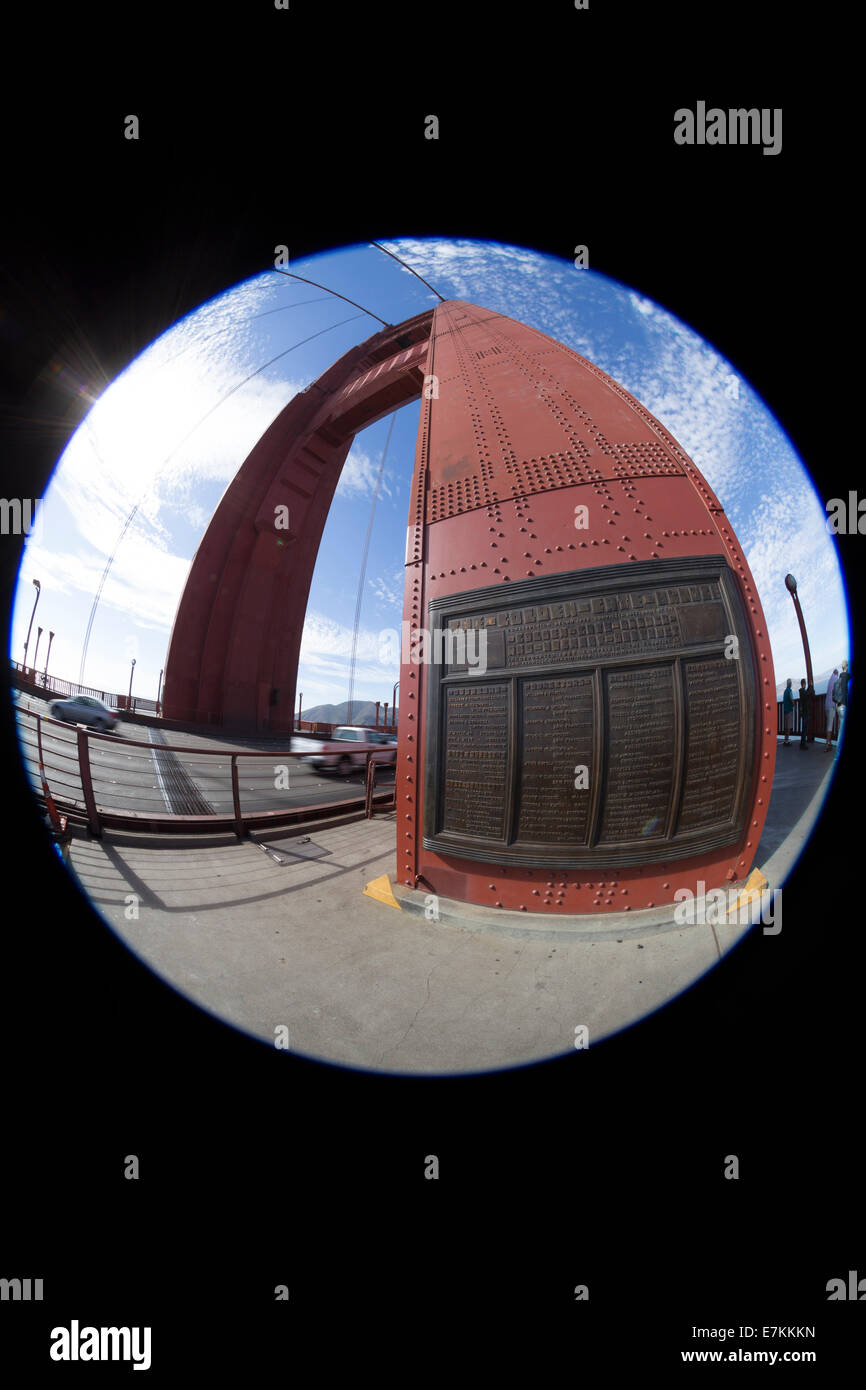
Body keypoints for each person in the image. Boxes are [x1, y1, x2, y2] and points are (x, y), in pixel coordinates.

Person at [833, 660, 850, 748]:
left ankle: (838, 749)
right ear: (846, 667)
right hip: (843, 706)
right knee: (841, 731)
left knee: (840, 729)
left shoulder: (839, 678)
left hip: (838, 706)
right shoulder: (847, 676)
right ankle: (838, 751)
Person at [824, 670, 839, 751]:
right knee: (830, 726)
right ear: (837, 673)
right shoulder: (836, 679)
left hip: (826, 705)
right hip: (832, 706)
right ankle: (827, 746)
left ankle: (829, 743)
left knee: (828, 725)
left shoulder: (830, 679)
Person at [798, 677, 813, 748]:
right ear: (804, 684)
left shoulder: (802, 691)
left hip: (804, 712)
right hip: (805, 712)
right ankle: (803, 744)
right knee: (805, 728)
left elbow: (807, 693)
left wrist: (810, 686)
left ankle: (802, 743)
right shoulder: (803, 692)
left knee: (804, 728)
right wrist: (811, 686)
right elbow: (809, 694)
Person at [782, 678, 794, 745]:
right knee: (789, 726)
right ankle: (787, 741)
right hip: (789, 710)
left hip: (785, 710)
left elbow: (784, 701)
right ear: (790, 684)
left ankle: (785, 739)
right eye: (791, 683)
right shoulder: (790, 691)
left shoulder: (785, 691)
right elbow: (792, 700)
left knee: (786, 726)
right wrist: (794, 704)